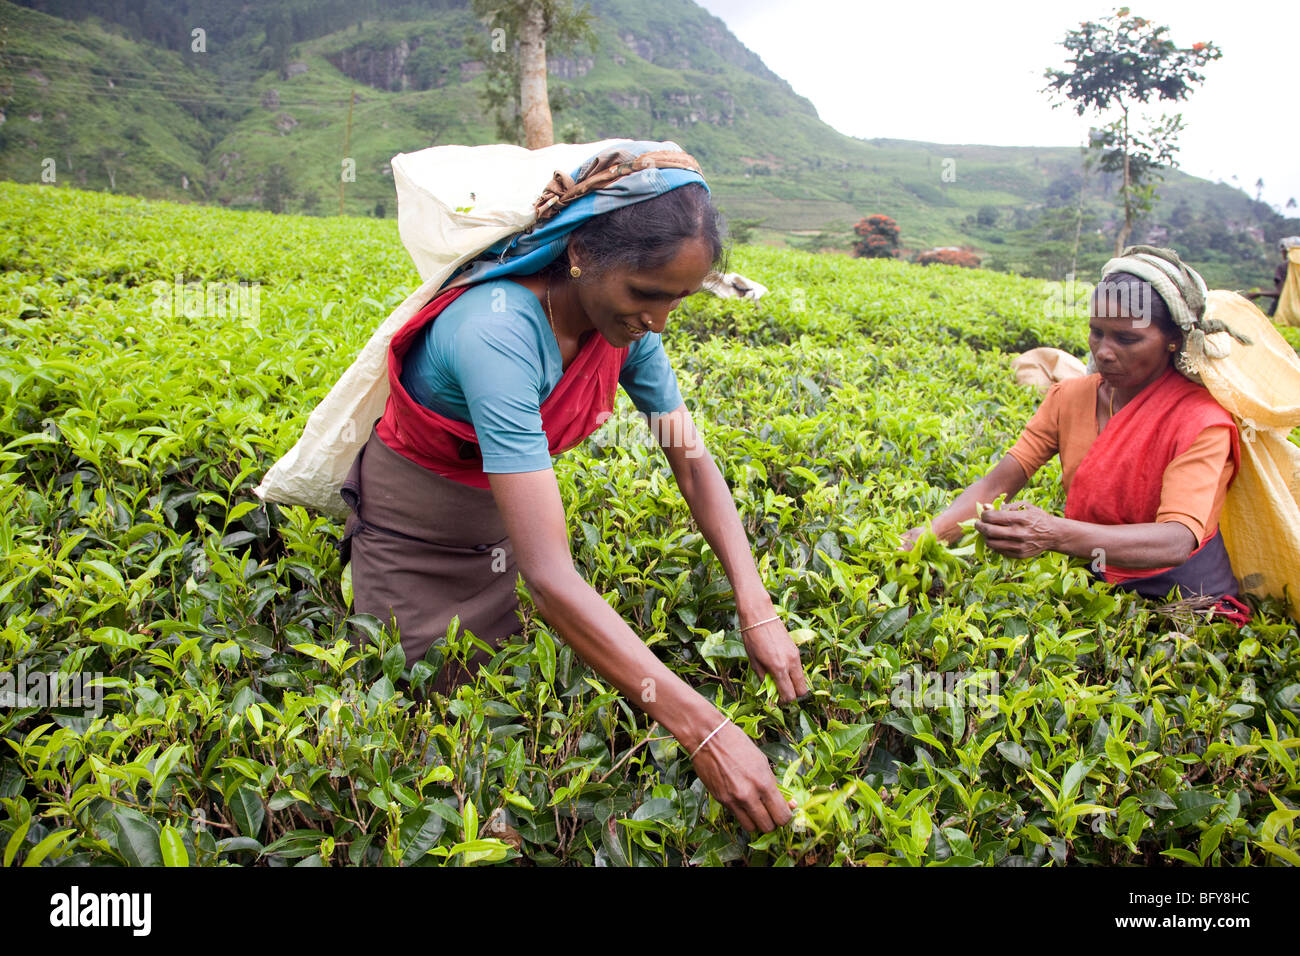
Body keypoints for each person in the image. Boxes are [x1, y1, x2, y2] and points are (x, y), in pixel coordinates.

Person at [339, 142, 808, 834]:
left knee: (499, 718)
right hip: (414, 538)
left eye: (678, 300)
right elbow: (552, 574)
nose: (658, 320)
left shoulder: (625, 329)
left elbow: (690, 460)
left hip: (499, 537)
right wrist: (704, 729)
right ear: (583, 253)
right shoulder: (496, 331)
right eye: (647, 295)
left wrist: (756, 603)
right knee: (417, 740)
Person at [904, 246, 1248, 615]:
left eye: (1127, 339)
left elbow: (1177, 540)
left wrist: (1051, 533)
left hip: (1183, 599)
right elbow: (996, 485)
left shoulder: (1201, 420)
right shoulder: (1070, 397)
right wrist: (927, 537)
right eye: (1096, 333)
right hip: (1092, 581)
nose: (1104, 352)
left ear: (1173, 340)